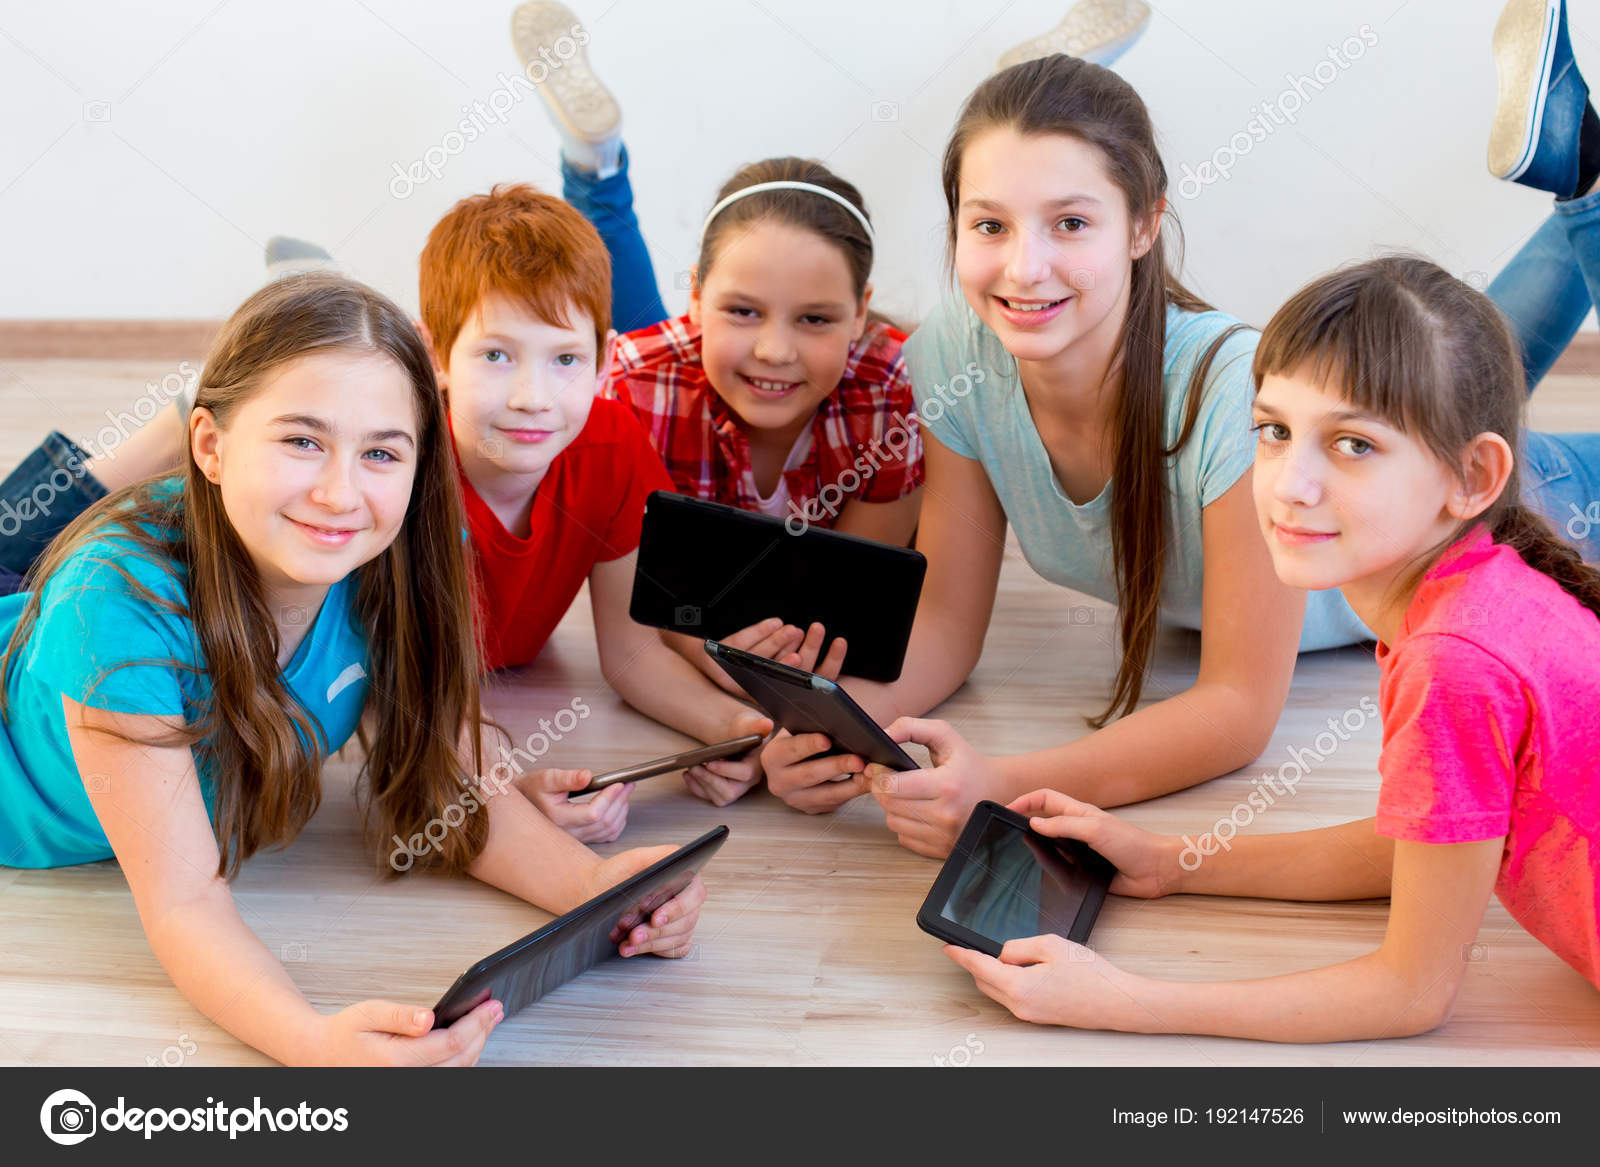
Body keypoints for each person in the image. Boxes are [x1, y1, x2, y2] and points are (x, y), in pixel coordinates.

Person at [0, 274, 707, 1064]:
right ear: (210, 445)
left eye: (381, 451)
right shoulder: (112, 609)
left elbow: (449, 774)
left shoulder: (398, 555)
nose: (341, 494)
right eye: (303, 439)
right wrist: (310, 1041)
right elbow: (184, 900)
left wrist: (598, 888)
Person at [938, 257, 1600, 1038]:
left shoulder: (1455, 655)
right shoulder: (1468, 597)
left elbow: (1410, 991)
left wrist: (1120, 998)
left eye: (1353, 444)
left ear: (1474, 475)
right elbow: (1424, 844)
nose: (1290, 482)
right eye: (1276, 431)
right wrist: (1169, 862)